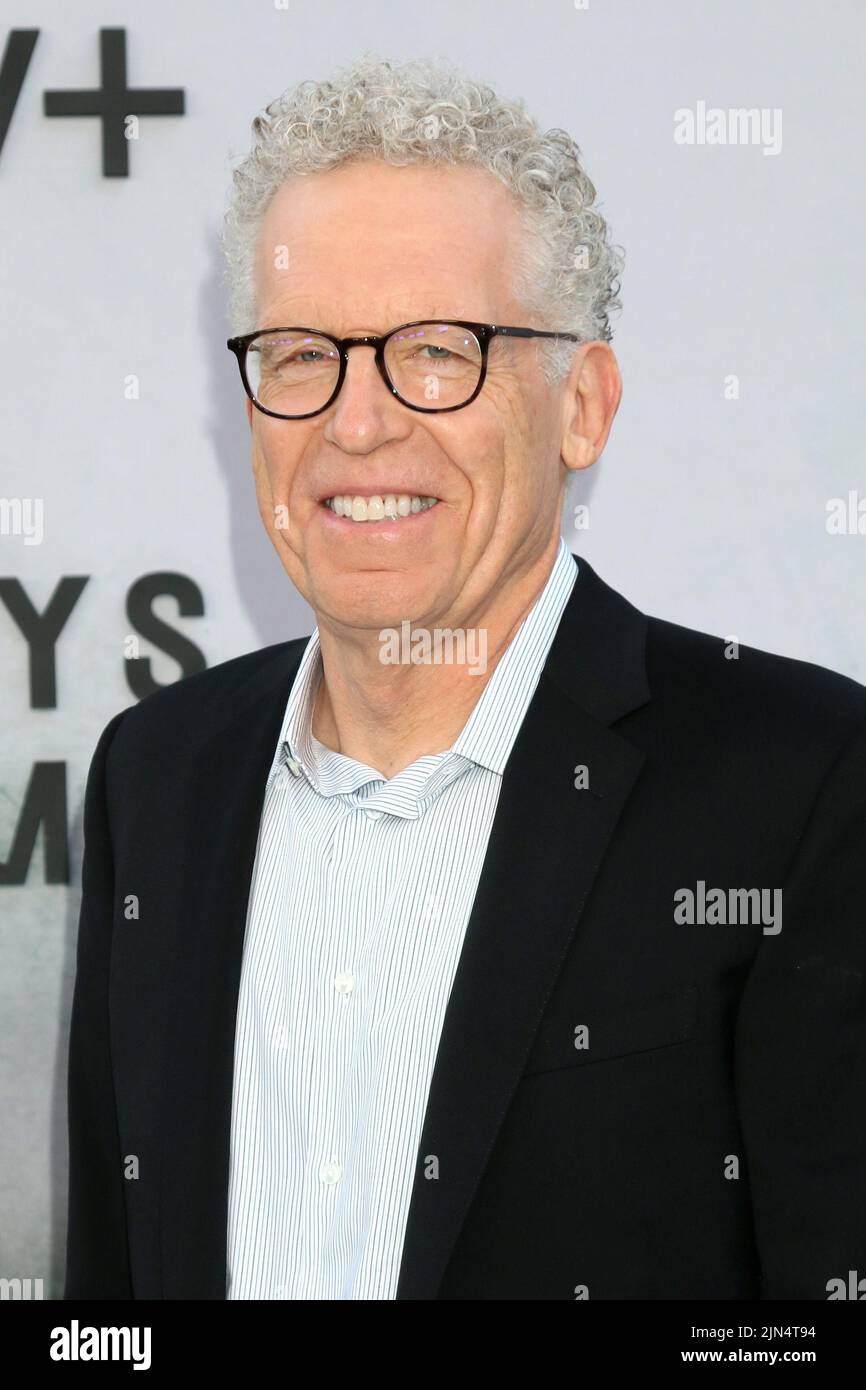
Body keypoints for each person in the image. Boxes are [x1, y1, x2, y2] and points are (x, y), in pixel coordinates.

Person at [65, 54, 866, 1300]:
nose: (358, 421)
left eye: (437, 350)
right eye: (296, 352)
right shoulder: (156, 773)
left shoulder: (802, 783)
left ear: (581, 404)